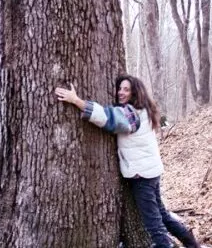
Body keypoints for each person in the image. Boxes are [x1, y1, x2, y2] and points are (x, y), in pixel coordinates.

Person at [55, 75, 200, 248]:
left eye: (126, 89)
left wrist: (77, 101)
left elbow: (107, 118)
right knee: (162, 215)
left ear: (134, 93)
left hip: (142, 176)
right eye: (120, 88)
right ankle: (192, 245)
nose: (120, 92)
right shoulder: (144, 110)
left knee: (154, 225)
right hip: (150, 172)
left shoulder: (132, 114)